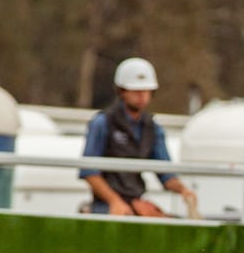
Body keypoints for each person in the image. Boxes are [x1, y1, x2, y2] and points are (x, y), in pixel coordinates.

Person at [79, 57, 197, 216]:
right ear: (122, 91)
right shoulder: (102, 123)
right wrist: (115, 202)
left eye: (146, 90)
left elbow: (166, 173)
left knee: (170, 223)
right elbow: (89, 172)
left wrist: (184, 191)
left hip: (136, 201)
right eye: (136, 91)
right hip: (105, 204)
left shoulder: (153, 128)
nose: (142, 96)